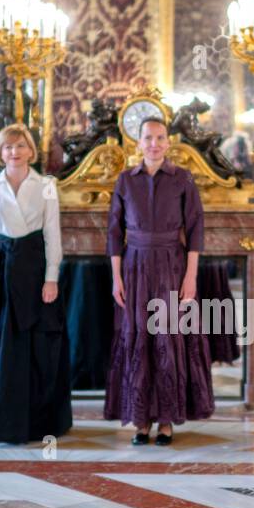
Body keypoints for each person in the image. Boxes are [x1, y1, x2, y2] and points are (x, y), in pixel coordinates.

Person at [104, 116, 215, 444]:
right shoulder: (125, 180)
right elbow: (113, 231)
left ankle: (166, 419)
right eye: (148, 138)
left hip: (171, 265)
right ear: (137, 143)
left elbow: (196, 228)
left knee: (166, 338)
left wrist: (191, 275)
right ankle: (141, 420)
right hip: (134, 268)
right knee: (139, 337)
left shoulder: (183, 178)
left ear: (168, 142)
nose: (154, 143)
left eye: (160, 137)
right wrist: (116, 277)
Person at [0, 123, 72, 443]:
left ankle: (37, 422)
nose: (13, 152)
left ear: (30, 150)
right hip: (0, 273)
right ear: (1, 153)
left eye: (19, 146)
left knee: (38, 345)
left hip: (35, 272)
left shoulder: (46, 186)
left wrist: (51, 278)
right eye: (7, 147)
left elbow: (52, 235)